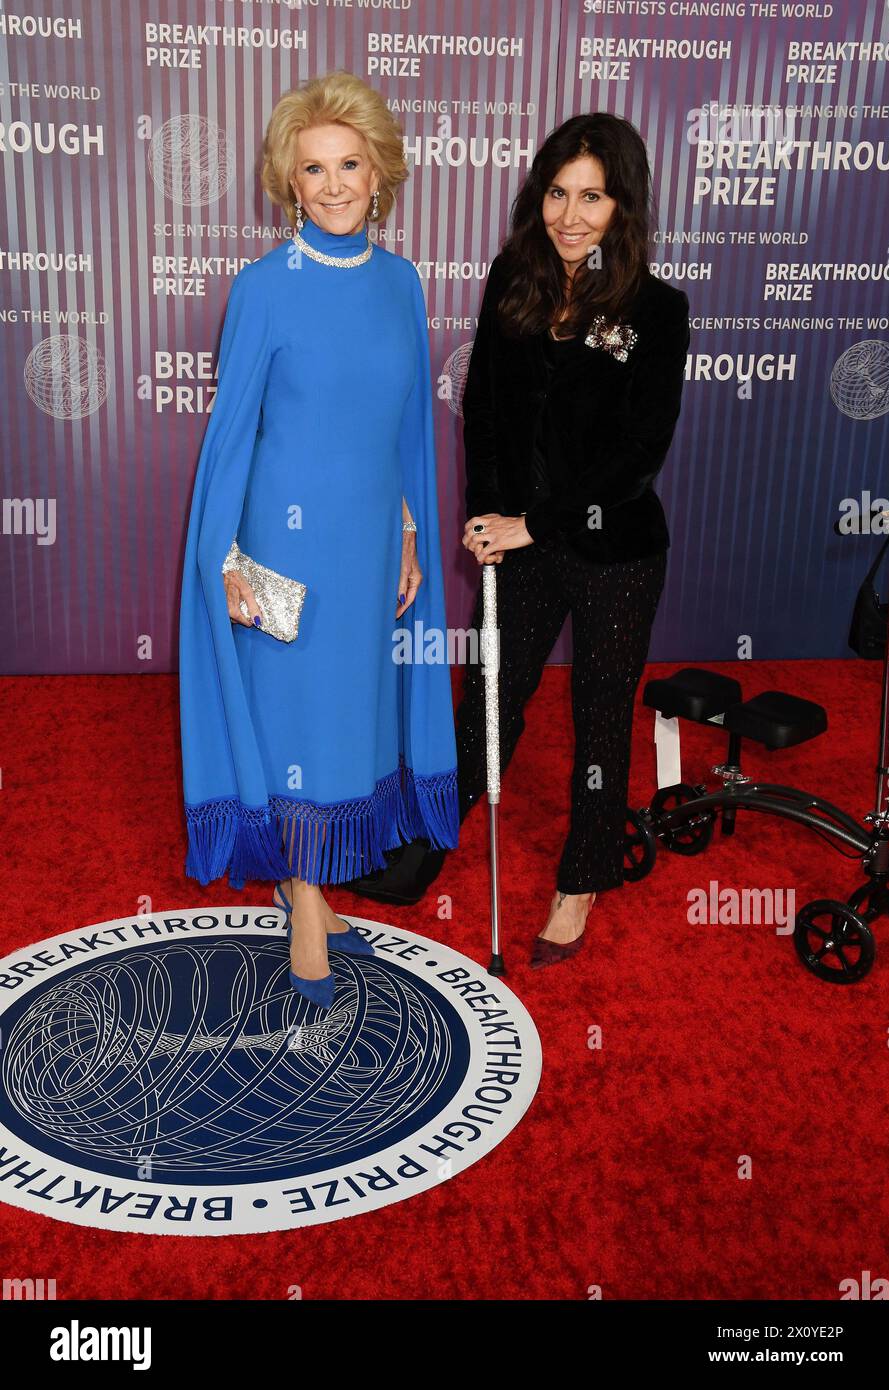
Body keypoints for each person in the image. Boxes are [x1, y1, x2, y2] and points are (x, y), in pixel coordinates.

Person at [346, 113, 690, 968]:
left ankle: (581, 878)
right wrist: (488, 518)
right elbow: (487, 413)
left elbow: (633, 457)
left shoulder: (656, 309)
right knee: (490, 698)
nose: (570, 216)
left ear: (624, 206)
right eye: (556, 194)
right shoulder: (516, 278)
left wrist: (533, 522)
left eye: (592, 198)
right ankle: (433, 835)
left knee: (599, 719)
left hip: (613, 551)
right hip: (519, 541)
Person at [178, 71, 459, 1008]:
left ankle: (316, 888)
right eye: (312, 170)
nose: (334, 185)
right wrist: (221, 555)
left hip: (371, 541)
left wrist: (411, 531)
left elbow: (405, 429)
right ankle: (303, 898)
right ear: (286, 183)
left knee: (351, 715)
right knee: (292, 715)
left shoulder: (401, 284)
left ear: (380, 171)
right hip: (283, 544)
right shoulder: (263, 289)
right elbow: (231, 439)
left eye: (349, 164)